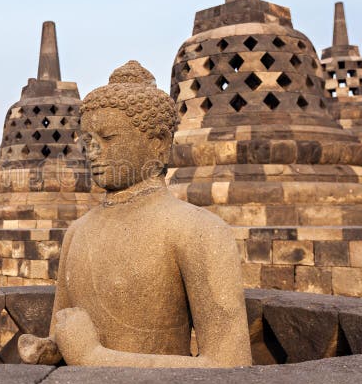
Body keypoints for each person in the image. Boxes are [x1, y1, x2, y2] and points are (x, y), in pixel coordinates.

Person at [18, 61, 252, 368]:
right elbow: (67, 333)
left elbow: (231, 364)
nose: (93, 152)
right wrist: (51, 347)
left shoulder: (197, 230)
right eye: (88, 141)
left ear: (157, 144)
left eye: (108, 138)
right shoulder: (77, 231)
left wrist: (92, 357)